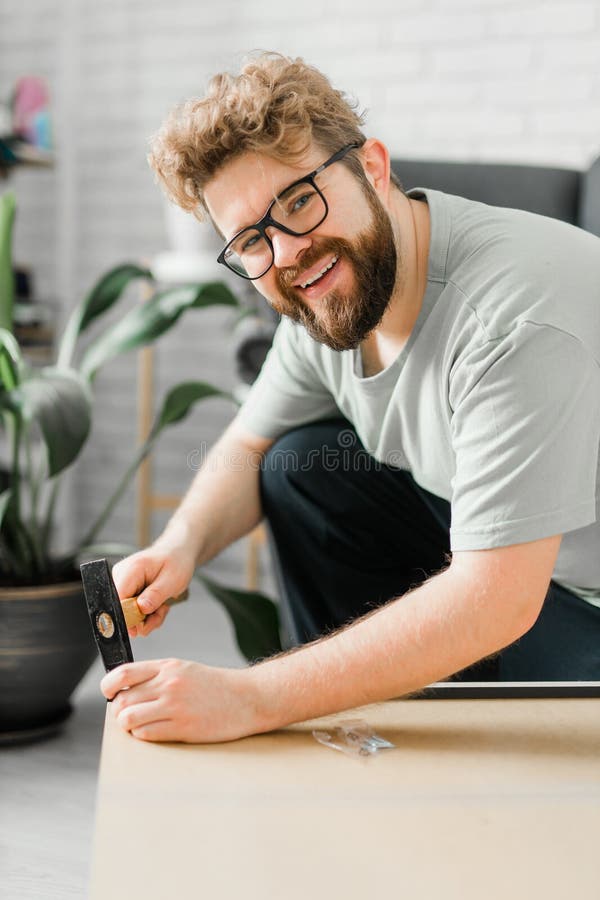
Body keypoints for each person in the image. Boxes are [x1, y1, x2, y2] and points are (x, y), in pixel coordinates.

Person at [101, 52, 600, 743]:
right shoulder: (330, 295)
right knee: (299, 463)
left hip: (571, 598)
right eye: (251, 240)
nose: (287, 253)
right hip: (519, 570)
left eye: (300, 201)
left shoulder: (516, 315)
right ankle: (361, 730)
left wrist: (251, 696)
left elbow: (496, 601)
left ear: (372, 168)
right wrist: (180, 546)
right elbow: (248, 443)